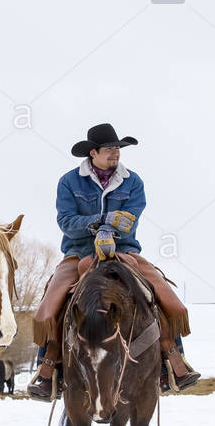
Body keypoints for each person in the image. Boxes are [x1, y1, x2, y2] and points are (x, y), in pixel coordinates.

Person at [27, 123, 200, 400]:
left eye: (118, 149)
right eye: (109, 149)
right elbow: (66, 222)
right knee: (54, 297)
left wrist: (113, 230)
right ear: (93, 153)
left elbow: (131, 219)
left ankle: (173, 360)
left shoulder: (133, 181)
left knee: (158, 289)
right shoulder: (69, 182)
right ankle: (48, 369)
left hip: (124, 250)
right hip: (79, 252)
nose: (115, 154)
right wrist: (99, 222)